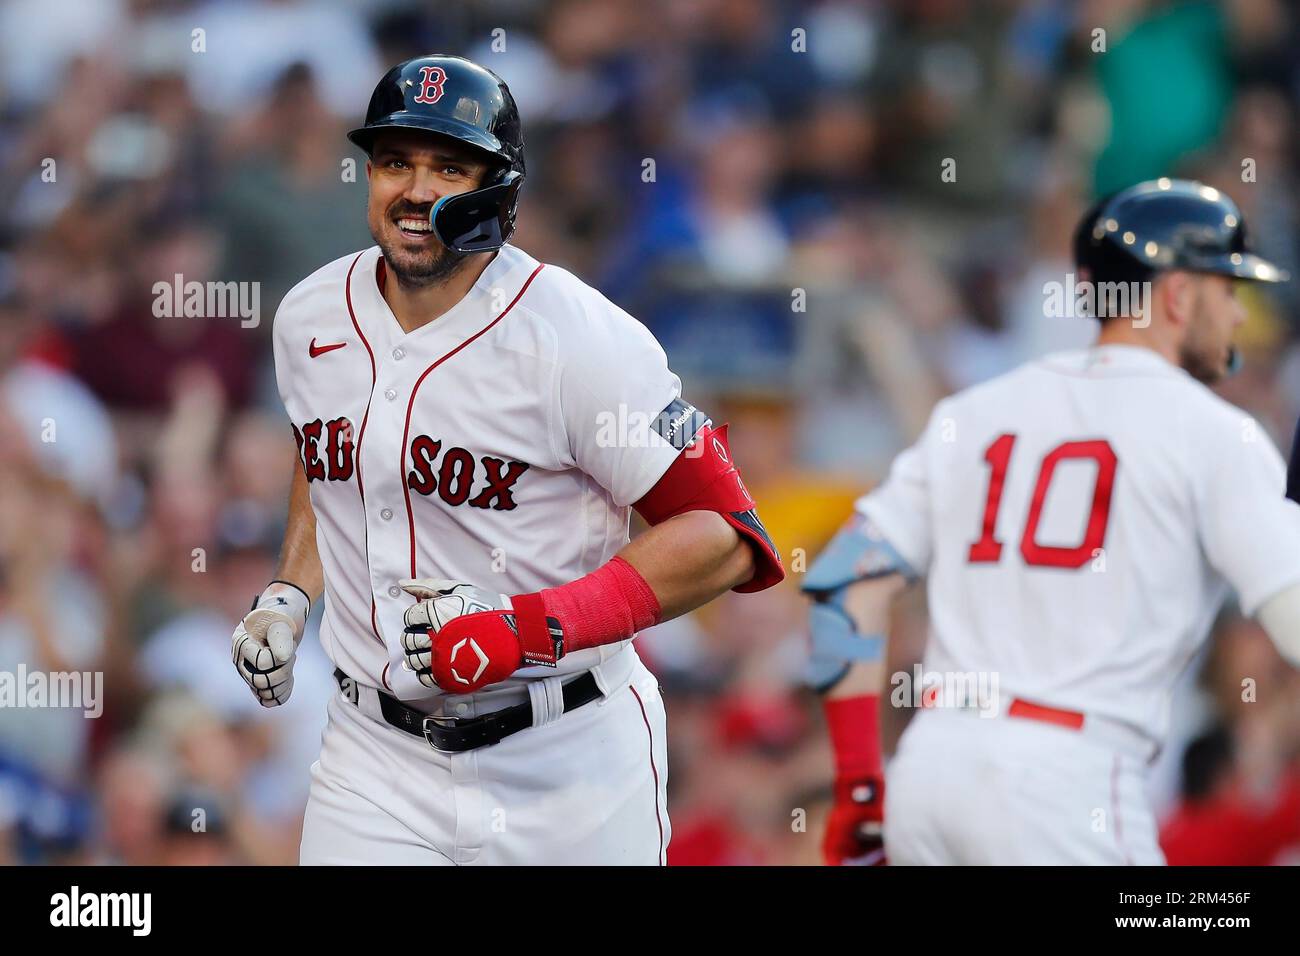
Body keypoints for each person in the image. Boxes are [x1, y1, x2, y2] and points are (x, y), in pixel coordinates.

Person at [228, 54, 784, 865]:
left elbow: (729, 534)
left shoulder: (578, 337)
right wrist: (288, 591)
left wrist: (524, 632)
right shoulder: (311, 313)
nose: (415, 191)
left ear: (500, 191)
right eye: (394, 163)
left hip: (568, 759)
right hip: (375, 760)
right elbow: (329, 455)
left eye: (448, 166)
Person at [803, 178, 1300, 865]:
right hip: (1068, 783)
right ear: (1180, 295)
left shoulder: (976, 410)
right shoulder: (1217, 433)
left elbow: (842, 583)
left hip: (929, 765)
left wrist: (862, 781)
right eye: (1228, 290)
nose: (1240, 316)